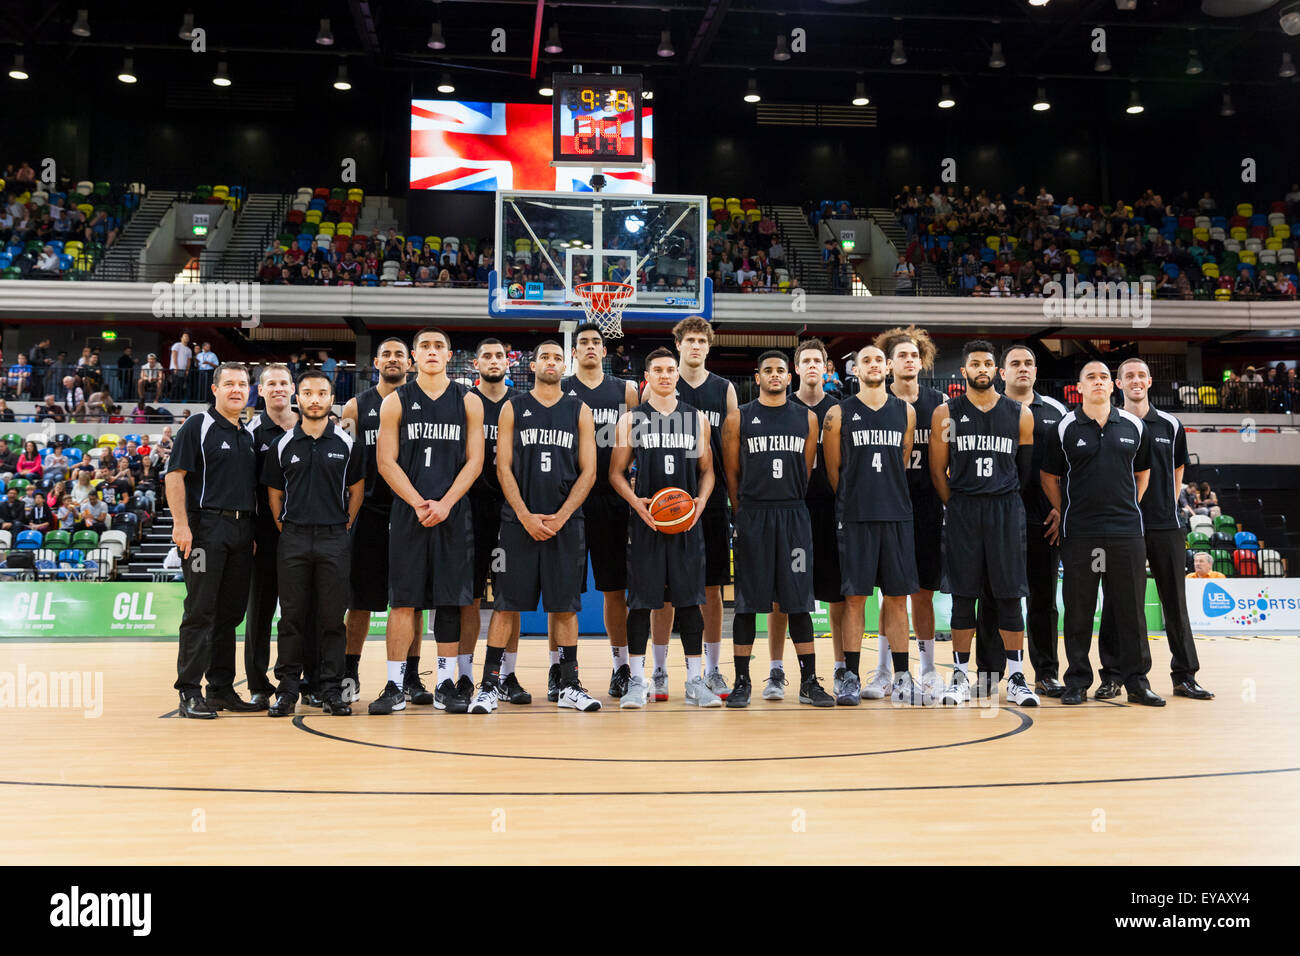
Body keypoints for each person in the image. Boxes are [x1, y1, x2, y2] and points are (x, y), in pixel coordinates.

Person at [468, 341, 598, 713]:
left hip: (566, 523)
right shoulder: (514, 407)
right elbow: (502, 467)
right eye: (545, 356)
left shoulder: (580, 410)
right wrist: (524, 515)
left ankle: (569, 684)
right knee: (506, 606)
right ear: (533, 363)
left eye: (558, 357)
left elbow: (589, 471)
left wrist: (561, 516)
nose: (552, 362)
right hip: (516, 523)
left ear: (566, 363)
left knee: (565, 607)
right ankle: (490, 685)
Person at [369, 328, 484, 715]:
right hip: (409, 513)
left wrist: (447, 503)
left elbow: (475, 461)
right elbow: (386, 462)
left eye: (439, 347)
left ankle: (446, 683)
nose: (432, 352)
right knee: (404, 602)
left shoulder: (468, 400)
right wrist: (420, 503)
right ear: (414, 356)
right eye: (425, 347)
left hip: (453, 513)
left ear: (449, 355)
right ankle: (394, 683)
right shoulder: (395, 402)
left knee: (450, 601)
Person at [1040, 361, 1163, 706]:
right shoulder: (1064, 428)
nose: (1098, 382)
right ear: (1079, 387)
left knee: (1130, 610)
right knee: (1079, 609)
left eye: (1104, 377)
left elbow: (1143, 475)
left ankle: (1136, 681)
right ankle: (1077, 680)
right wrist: (1066, 509)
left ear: (1113, 386)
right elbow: (1048, 477)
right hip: (1080, 532)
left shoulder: (1136, 426)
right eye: (1090, 377)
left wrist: (1126, 505)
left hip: (1126, 532)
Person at [928, 341, 1040, 707]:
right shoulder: (946, 413)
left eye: (988, 363)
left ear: (997, 371)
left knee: (1009, 597)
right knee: (964, 598)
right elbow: (937, 470)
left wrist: (999, 498)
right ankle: (960, 676)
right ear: (963, 372)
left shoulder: (1020, 414)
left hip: (1005, 511)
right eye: (974, 363)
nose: (982, 368)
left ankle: (1017, 677)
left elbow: (1023, 474)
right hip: (964, 510)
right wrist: (958, 504)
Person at [722, 350, 833, 708]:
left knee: (799, 601)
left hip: (793, 517)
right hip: (753, 516)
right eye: (767, 370)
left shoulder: (807, 419)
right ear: (757, 377)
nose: (774, 375)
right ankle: (742, 682)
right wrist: (743, 513)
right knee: (747, 604)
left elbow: (806, 469)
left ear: (790, 377)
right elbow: (732, 473)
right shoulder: (740, 417)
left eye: (780, 370)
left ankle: (808, 682)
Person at [1099, 359, 1213, 701]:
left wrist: (1165, 505)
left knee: (1175, 602)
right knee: (1117, 604)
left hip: (1165, 525)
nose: (1135, 380)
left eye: (1140, 375)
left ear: (1149, 381)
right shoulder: (1110, 423)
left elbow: (1178, 471)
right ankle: (1113, 675)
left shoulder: (1171, 424)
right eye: (1128, 376)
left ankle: (1185, 675)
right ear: (1118, 384)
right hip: (1124, 526)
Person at [606, 348, 714, 708]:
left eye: (671, 370)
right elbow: (615, 473)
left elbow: (707, 470)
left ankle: (695, 681)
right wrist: (635, 502)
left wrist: (700, 502)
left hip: (685, 525)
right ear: (647, 377)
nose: (665, 375)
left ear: (677, 376)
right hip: (648, 524)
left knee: (689, 602)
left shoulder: (696, 419)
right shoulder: (631, 420)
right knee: (641, 604)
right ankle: (638, 681)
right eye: (658, 370)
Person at [820, 344, 921, 705]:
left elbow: (904, 459)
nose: (874, 365)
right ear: (856, 370)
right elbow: (834, 471)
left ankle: (904, 677)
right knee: (854, 599)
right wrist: (853, 499)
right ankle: (848, 677)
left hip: (896, 514)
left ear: (889, 366)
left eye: (880, 360)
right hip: (856, 516)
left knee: (896, 599)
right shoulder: (838, 413)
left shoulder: (906, 412)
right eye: (867, 361)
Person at [263, 370, 365, 717]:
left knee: (332, 619)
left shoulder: (347, 444)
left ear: (330, 398)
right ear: (299, 398)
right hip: (292, 539)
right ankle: (288, 690)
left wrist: (344, 523)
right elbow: (274, 494)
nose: (315, 399)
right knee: (291, 618)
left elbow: (357, 490)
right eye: (308, 393)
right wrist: (285, 527)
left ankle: (331, 690)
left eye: (322, 392)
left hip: (335, 538)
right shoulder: (282, 444)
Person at [971, 345, 1069, 697]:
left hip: (1044, 521)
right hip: (996, 521)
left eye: (1029, 363)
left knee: (1043, 600)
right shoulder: (987, 409)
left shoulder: (1057, 412)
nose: (1022, 369)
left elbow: (1069, 467)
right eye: (1015, 364)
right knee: (992, 598)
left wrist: (1062, 507)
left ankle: (1046, 672)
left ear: (1036, 371)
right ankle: (989, 674)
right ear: (1002, 372)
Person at [165, 362, 261, 718]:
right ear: (215, 390)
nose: (237, 389)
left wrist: (249, 532)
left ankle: (220, 689)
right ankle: (189, 690)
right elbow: (175, 476)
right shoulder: (198, 425)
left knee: (231, 613)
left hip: (241, 532)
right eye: (230, 384)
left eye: (243, 384)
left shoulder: (247, 434)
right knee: (201, 610)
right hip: (205, 530)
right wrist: (181, 524)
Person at [341, 338, 431, 707]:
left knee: (413, 600)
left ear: (409, 362)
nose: (392, 360)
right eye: (386, 355)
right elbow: (343, 463)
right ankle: (349, 671)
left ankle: (410, 675)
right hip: (371, 512)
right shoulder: (355, 406)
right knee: (360, 601)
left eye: (398, 354)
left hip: (412, 511)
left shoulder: (421, 401)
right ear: (375, 362)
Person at [652, 317, 737, 701]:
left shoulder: (725, 389)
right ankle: (657, 671)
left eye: (703, 340)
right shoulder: (662, 383)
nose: (696, 346)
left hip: (710, 500)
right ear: (678, 344)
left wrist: (733, 496)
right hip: (665, 502)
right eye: (690, 340)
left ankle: (714, 670)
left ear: (709, 346)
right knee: (665, 590)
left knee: (712, 587)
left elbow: (732, 449)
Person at [560, 323, 641, 699]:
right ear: (573, 352)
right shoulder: (560, 389)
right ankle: (558, 670)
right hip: (569, 499)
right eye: (583, 343)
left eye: (596, 342)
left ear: (604, 352)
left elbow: (642, 443)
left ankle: (621, 666)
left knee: (615, 589)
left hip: (612, 497)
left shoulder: (626, 391)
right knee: (563, 593)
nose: (590, 347)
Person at [765, 339, 844, 700]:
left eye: (818, 361)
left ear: (827, 369)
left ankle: (842, 668)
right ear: (796, 368)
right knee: (783, 595)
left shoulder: (839, 410)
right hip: (787, 507)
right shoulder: (781, 404)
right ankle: (776, 670)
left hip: (827, 508)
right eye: (806, 360)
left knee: (836, 593)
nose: (812, 366)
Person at [451, 339, 527, 703]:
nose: (494, 361)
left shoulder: (521, 404)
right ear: (475, 363)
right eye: (487, 356)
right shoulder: (464, 401)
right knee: (470, 596)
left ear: (508, 362)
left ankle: (506, 676)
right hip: (470, 508)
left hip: (512, 510)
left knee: (508, 598)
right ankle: (465, 676)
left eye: (500, 355)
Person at [874, 326, 947, 701]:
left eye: (914, 355)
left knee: (923, 593)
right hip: (888, 506)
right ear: (888, 364)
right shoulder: (875, 401)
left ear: (923, 361)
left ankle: (930, 669)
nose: (909, 360)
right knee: (891, 594)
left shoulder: (939, 404)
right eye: (901, 355)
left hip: (927, 506)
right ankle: (885, 670)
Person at [242, 364, 301, 709]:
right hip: (264, 536)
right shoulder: (251, 433)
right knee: (260, 613)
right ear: (260, 391)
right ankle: (258, 684)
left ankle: (298, 677)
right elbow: (246, 488)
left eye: (283, 382)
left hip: (302, 534)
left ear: (292, 388)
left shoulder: (310, 428)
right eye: (271, 383)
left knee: (300, 612)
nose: (278, 388)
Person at [169, 332, 193, 400]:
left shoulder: (189, 350)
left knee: (181, 385)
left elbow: (189, 361)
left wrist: (187, 370)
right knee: (175, 385)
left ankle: (178, 399)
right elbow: (174, 356)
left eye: (187, 337)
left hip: (183, 370)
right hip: (175, 368)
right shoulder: (177, 345)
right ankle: (172, 399)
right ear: (181, 338)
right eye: (185, 336)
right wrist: (176, 367)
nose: (186, 338)